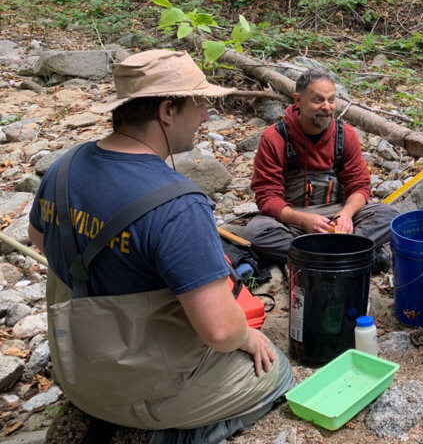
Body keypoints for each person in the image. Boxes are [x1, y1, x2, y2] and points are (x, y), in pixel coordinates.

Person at [29, 50, 294, 442]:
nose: (205, 116)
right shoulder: (177, 203)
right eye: (198, 103)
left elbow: (39, 239)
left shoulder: (64, 167)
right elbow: (222, 332)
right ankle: (163, 435)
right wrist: (248, 337)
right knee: (278, 371)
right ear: (168, 110)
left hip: (77, 373)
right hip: (145, 393)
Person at [246, 69, 398, 270]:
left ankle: (314, 258)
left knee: (390, 215)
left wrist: (346, 214)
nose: (327, 107)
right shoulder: (274, 138)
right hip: (294, 220)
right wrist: (303, 220)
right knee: (256, 232)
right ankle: (354, 254)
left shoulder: (345, 135)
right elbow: (267, 197)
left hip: (337, 215)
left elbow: (359, 186)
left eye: (331, 100)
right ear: (298, 100)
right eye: (318, 100)